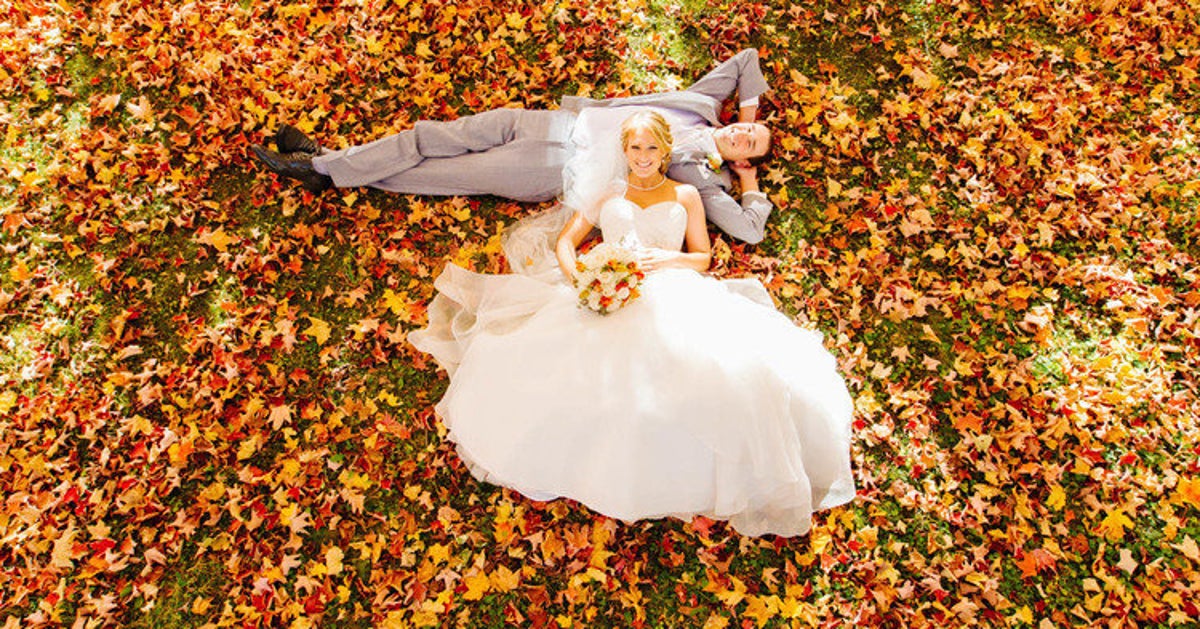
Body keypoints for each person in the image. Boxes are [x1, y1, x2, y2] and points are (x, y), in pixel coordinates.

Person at [407, 111, 855, 537]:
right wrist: (582, 277)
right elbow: (567, 242)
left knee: (720, 375)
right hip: (610, 288)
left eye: (652, 149)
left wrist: (669, 259)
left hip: (674, 290)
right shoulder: (609, 195)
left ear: (665, 152)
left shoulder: (686, 195)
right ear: (626, 150)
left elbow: (703, 257)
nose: (643, 157)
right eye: (636, 148)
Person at [251, 49, 775, 243]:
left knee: (441, 172)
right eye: (747, 129)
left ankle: (324, 168)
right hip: (547, 122)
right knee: (429, 135)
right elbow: (746, 60)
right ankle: (328, 163)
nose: (742, 134)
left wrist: (748, 181)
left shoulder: (706, 179)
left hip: (552, 166)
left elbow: (749, 232)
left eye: (748, 143)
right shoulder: (704, 105)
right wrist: (746, 120)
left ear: (740, 158)